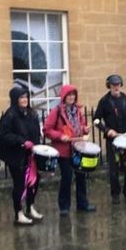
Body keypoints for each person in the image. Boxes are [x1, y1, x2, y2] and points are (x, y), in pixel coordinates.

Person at [44, 85, 95, 216]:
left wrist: (85, 129)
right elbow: (47, 129)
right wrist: (60, 136)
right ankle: (64, 206)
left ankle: (82, 204)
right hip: (64, 151)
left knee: (81, 176)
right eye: (69, 95)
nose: (71, 97)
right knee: (66, 177)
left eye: (73, 95)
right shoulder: (56, 111)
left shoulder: (77, 111)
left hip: (78, 149)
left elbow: (81, 126)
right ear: (64, 96)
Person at [0, 86, 43, 225]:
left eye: (26, 97)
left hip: (31, 155)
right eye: (21, 97)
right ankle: (19, 213)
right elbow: (4, 135)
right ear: (15, 99)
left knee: (34, 182)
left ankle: (30, 207)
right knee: (20, 184)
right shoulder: (10, 115)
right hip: (16, 155)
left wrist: (37, 146)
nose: (24, 100)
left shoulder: (31, 114)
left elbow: (36, 132)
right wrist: (21, 141)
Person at [93, 74, 126, 204]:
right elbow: (96, 120)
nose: (116, 87)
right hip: (112, 140)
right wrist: (107, 130)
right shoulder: (104, 101)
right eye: (113, 85)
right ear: (109, 86)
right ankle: (115, 194)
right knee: (113, 168)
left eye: (118, 84)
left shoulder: (125, 99)